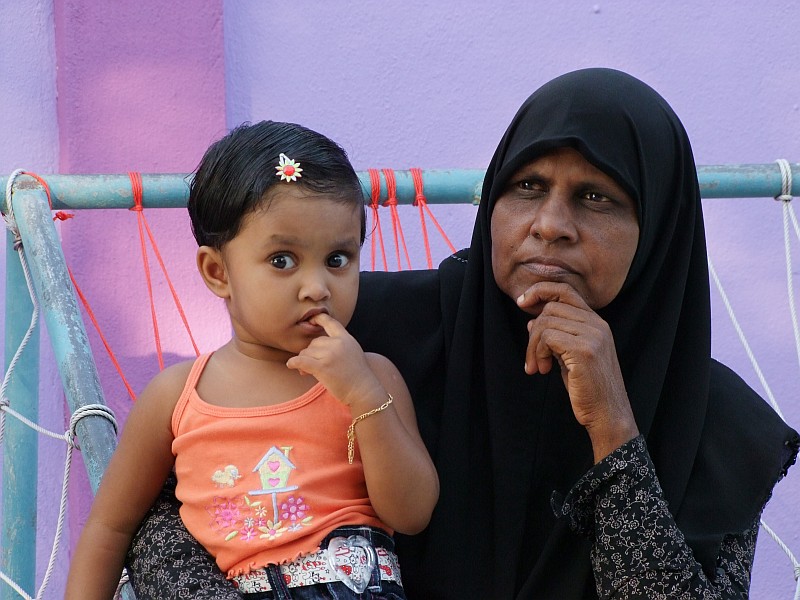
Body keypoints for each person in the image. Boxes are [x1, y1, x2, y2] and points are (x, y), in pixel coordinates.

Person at [125, 69, 799, 599]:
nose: (551, 224)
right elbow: (167, 516)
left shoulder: (715, 422)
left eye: (598, 197)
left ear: (659, 229)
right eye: (528, 186)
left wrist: (614, 429)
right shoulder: (369, 336)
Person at [65, 121, 439, 600]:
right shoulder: (177, 397)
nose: (317, 286)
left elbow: (411, 514)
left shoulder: (374, 376)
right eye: (282, 260)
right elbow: (110, 528)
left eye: (338, 259)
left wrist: (363, 395)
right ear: (217, 272)